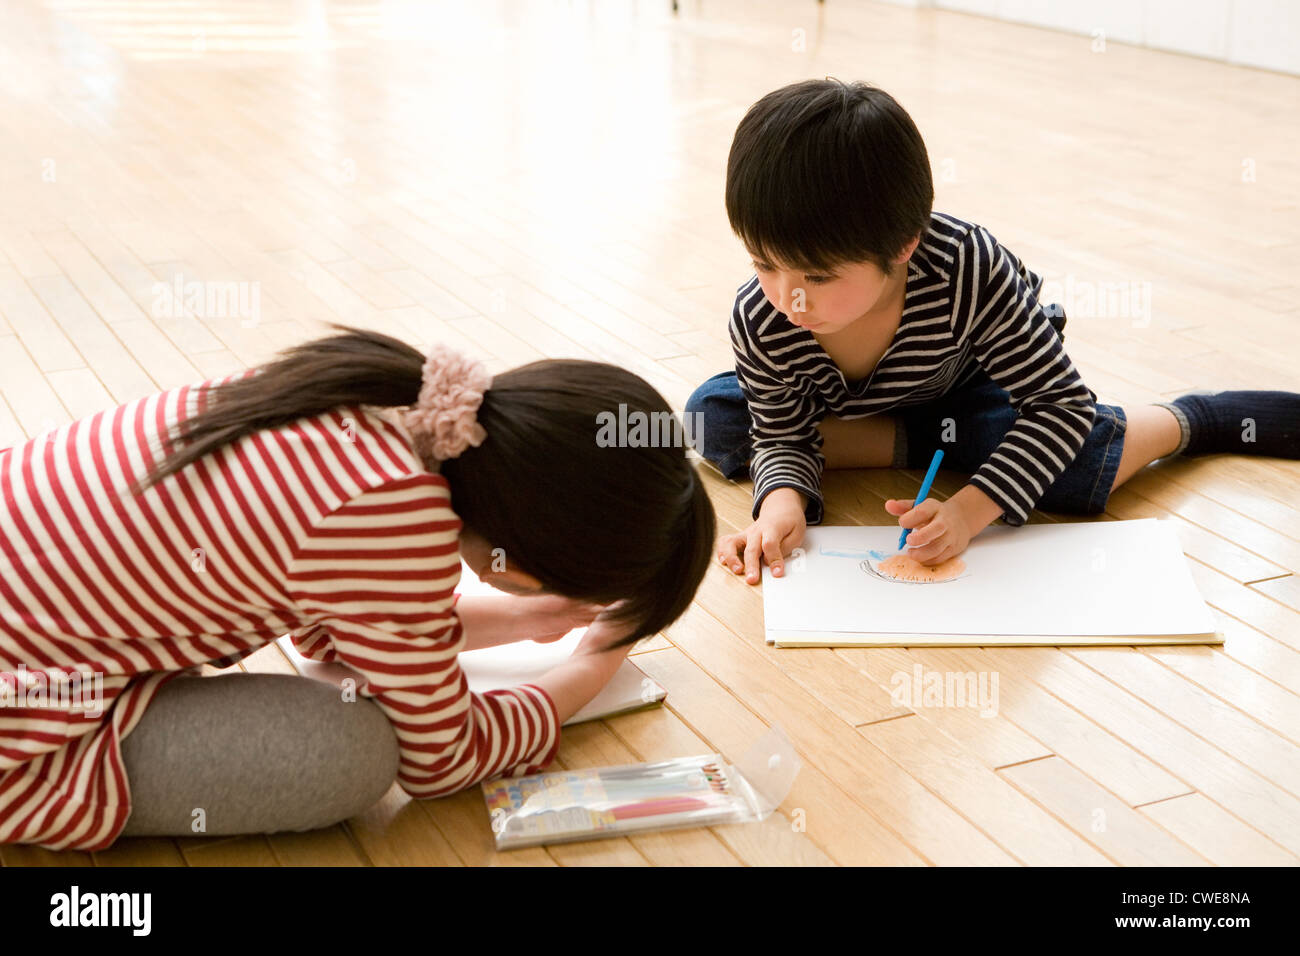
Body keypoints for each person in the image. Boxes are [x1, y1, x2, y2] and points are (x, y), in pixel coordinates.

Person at [0, 327, 714, 850]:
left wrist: (521, 618)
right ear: (529, 565)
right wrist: (588, 667)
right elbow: (444, 760)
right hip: (19, 708)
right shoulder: (395, 514)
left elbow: (335, 631)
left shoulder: (384, 405)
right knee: (357, 754)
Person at [687, 78, 1300, 583]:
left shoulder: (967, 268)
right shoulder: (762, 313)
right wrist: (780, 506)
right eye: (762, 263)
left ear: (903, 247)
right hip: (852, 406)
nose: (788, 296)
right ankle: (946, 441)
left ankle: (1194, 418)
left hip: (973, 381)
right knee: (713, 417)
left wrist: (969, 511)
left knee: (1081, 455)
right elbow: (782, 434)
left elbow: (1058, 406)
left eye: (818, 276)